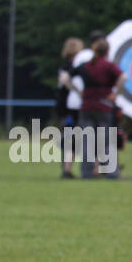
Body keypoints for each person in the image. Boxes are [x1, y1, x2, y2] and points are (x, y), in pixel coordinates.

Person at [63, 35, 126, 179]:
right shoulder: (108, 65)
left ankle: (87, 172)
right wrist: (116, 93)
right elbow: (123, 77)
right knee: (106, 140)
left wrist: (77, 92)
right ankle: (111, 172)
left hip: (87, 107)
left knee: (87, 141)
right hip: (104, 107)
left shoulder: (86, 65)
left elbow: (66, 78)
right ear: (107, 51)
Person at [54, 37, 83, 179]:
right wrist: (78, 92)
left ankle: (66, 168)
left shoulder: (64, 65)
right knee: (74, 138)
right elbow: (67, 82)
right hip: (72, 106)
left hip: (64, 107)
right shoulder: (74, 66)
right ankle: (67, 168)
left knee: (70, 136)